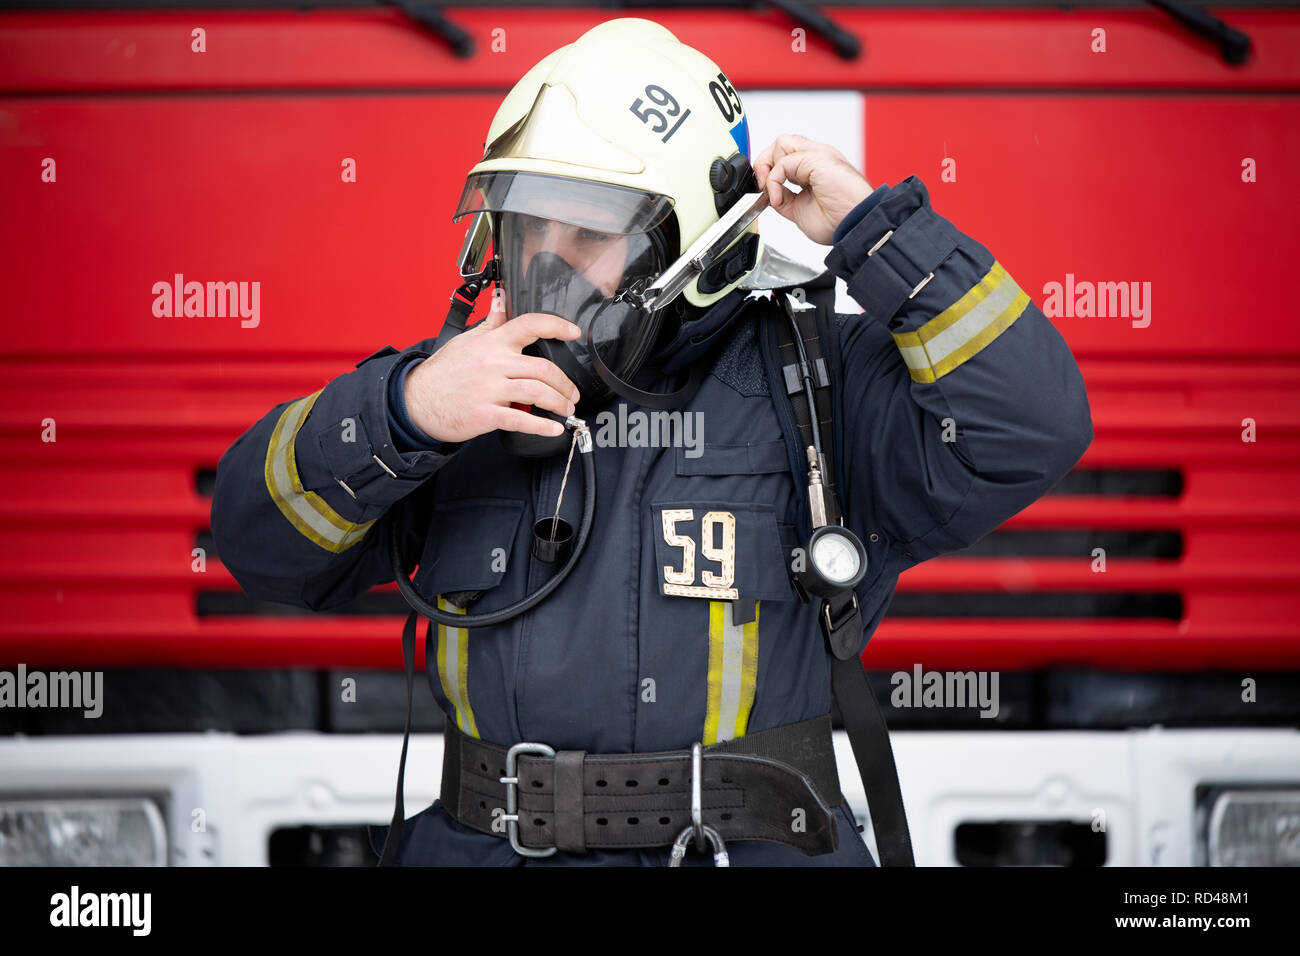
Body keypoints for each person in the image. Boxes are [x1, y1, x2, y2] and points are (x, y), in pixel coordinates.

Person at [210, 17, 1093, 867]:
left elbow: (1028, 425)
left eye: (589, 234)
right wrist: (402, 409)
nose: (548, 263)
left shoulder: (822, 382)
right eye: (528, 227)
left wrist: (879, 234)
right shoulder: (452, 398)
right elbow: (257, 545)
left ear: (698, 247)